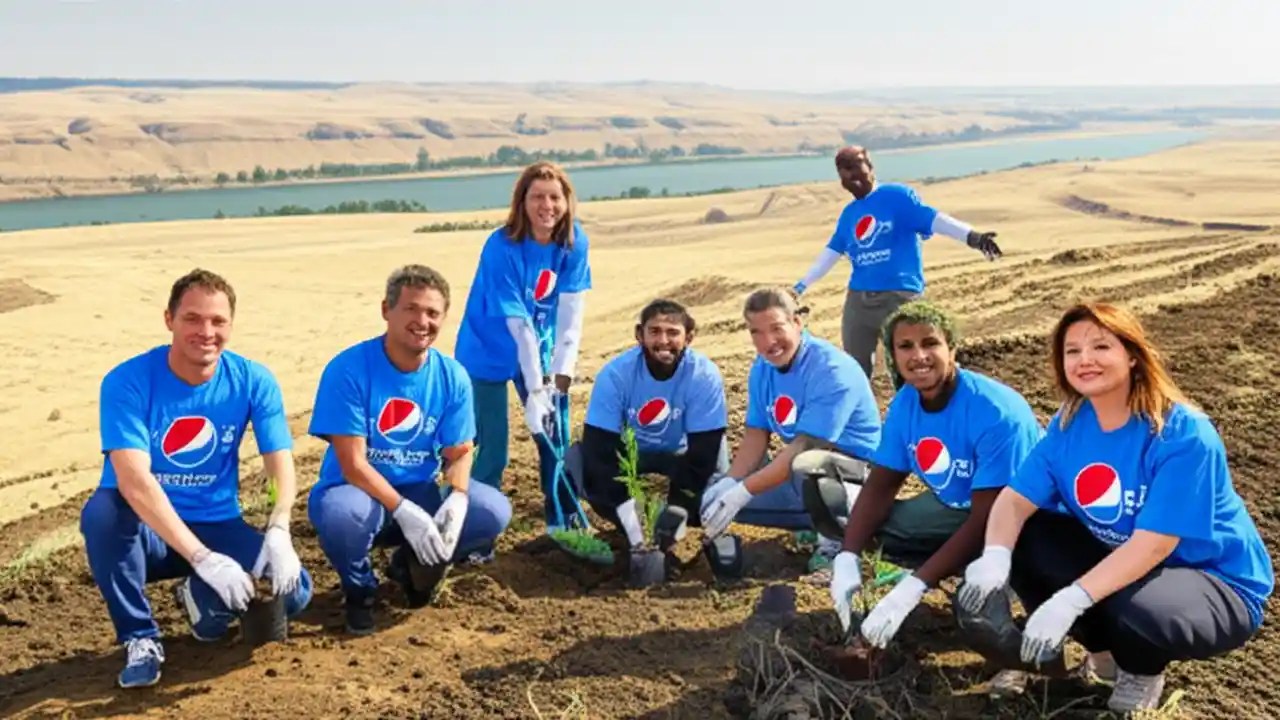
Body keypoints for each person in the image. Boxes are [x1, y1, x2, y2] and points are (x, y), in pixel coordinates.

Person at [956, 302, 1274, 713]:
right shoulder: (1070, 423)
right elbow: (1015, 501)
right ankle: (1104, 658)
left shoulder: (1182, 433)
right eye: (1072, 351)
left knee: (1133, 607)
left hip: (1212, 580)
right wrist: (996, 557)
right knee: (1029, 538)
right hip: (1127, 562)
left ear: (1132, 355)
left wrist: (1069, 600)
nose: (1084, 359)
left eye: (1100, 346)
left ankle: (1142, 670)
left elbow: (1155, 546)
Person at [79, 268, 313, 689]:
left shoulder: (253, 380)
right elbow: (134, 482)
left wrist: (279, 526)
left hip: (217, 521)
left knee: (295, 592)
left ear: (231, 325)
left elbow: (279, 463)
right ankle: (140, 637)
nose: (206, 331)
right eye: (192, 318)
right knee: (102, 514)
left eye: (218, 321)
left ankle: (201, 598)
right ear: (169, 319)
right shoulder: (128, 382)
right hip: (146, 531)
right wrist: (203, 558)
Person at [813, 300, 1042, 689]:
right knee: (849, 514)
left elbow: (989, 519)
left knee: (977, 613)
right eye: (905, 346)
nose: (918, 356)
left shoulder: (995, 412)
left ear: (952, 347)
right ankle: (929, 577)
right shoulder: (907, 403)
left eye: (929, 343)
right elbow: (882, 482)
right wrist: (848, 555)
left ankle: (1021, 656)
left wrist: (913, 588)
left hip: (1027, 522)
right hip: (958, 509)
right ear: (892, 354)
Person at [307, 265, 513, 635]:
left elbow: (460, 451)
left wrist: (458, 497)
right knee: (342, 517)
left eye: (433, 313)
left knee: (492, 510)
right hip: (357, 492)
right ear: (387, 310)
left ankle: (411, 566)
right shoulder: (349, 369)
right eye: (412, 309)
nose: (422, 321)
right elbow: (352, 464)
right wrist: (402, 511)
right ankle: (359, 590)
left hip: (419, 490)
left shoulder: (452, 376)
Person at [453, 161, 591, 552]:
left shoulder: (573, 243)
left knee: (555, 437)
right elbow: (519, 326)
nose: (546, 205)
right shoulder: (502, 247)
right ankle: (476, 534)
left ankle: (562, 522)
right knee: (492, 447)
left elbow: (570, 321)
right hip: (487, 352)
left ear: (566, 201)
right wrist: (534, 389)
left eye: (554, 197)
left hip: (541, 351)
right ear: (522, 202)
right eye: (536, 197)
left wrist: (556, 383)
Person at [699, 286, 882, 575]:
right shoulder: (763, 367)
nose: (768, 342)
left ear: (797, 322)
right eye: (756, 332)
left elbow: (806, 448)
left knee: (809, 467)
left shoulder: (831, 370)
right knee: (713, 499)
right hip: (798, 472)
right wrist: (730, 483)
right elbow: (757, 433)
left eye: (776, 328)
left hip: (854, 476)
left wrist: (743, 490)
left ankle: (839, 543)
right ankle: (814, 523)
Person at [791, 145, 1003, 382]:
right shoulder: (849, 214)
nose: (852, 177)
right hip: (859, 301)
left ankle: (924, 413)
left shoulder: (896, 197)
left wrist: (973, 237)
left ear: (870, 167)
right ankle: (862, 417)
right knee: (855, 371)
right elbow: (831, 253)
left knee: (911, 367)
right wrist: (800, 287)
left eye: (857, 168)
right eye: (845, 172)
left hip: (899, 297)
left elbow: (933, 219)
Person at [565, 298, 729, 558]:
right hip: (629, 456)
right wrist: (631, 516)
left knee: (718, 467)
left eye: (673, 333)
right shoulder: (616, 375)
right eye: (654, 332)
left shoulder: (703, 375)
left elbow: (704, 452)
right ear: (639, 335)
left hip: (682, 456)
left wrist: (676, 509)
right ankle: (589, 527)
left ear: (689, 337)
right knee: (576, 460)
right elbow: (599, 449)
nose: (663, 341)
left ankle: (698, 526)